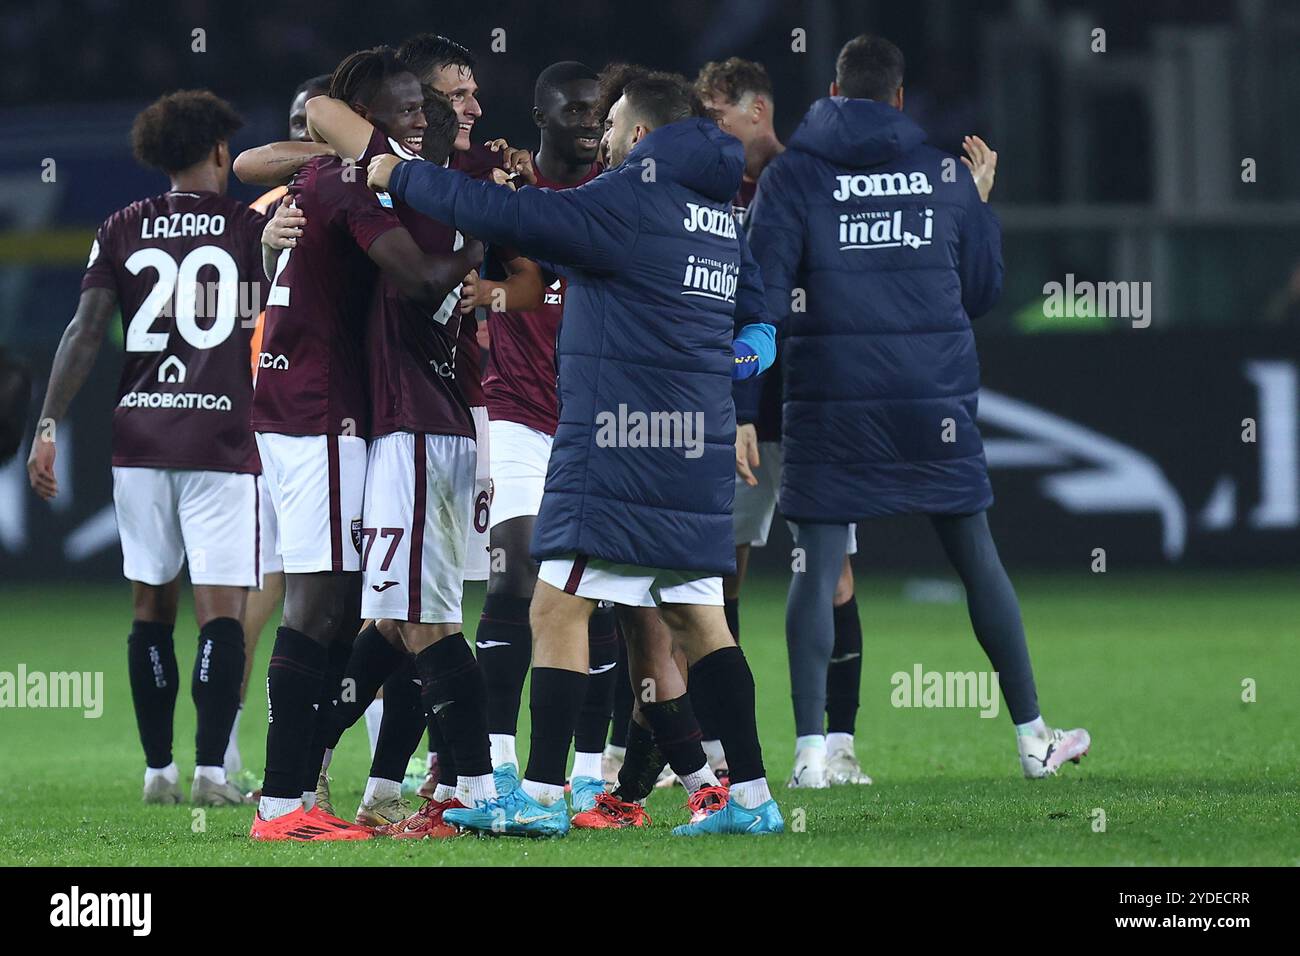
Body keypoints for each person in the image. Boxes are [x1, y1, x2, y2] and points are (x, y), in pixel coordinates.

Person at [369, 72, 783, 838]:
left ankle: (542, 796)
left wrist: (403, 174)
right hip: (692, 446)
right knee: (699, 619)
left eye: (619, 121)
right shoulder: (719, 214)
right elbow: (759, 319)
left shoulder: (628, 197)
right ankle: (752, 800)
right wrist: (735, 363)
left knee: (556, 605)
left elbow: (506, 213)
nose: (609, 134)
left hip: (620, 446)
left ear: (645, 135)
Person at [747, 34, 1090, 780]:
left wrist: (741, 404)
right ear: (900, 99)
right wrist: (979, 203)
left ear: (834, 94)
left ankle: (810, 755)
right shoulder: (943, 175)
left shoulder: (793, 176)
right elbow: (982, 293)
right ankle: (1033, 737)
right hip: (931, 402)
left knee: (816, 569)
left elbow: (761, 306)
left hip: (830, 400)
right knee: (978, 561)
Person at [243, 46, 497, 841]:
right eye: (407, 108)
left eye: (428, 106)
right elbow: (420, 282)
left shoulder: (331, 177)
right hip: (320, 407)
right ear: (367, 118)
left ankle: (304, 787)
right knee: (320, 601)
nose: (422, 120)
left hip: (315, 405)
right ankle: (285, 805)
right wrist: (477, 244)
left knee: (353, 602)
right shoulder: (357, 182)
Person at [28, 90, 266, 808]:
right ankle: (211, 773)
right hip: (221, 435)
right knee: (221, 612)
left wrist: (45, 426)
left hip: (141, 437)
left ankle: (158, 771)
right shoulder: (249, 228)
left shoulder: (121, 227)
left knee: (148, 606)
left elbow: (84, 330)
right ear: (222, 151)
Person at [696, 56, 871, 788]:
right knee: (716, 577)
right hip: (738, 409)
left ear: (757, 111)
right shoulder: (702, 189)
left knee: (832, 578)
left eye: (719, 118)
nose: (711, 134)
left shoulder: (809, 182)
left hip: (806, 407)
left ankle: (838, 745)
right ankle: (716, 750)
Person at [461, 60, 620, 813]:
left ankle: (591, 774)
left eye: (599, 110)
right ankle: (495, 765)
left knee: (597, 592)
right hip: (519, 416)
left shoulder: (615, 200)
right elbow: (493, 274)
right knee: (514, 575)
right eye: (575, 110)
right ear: (542, 115)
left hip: (598, 423)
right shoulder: (509, 200)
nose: (590, 120)